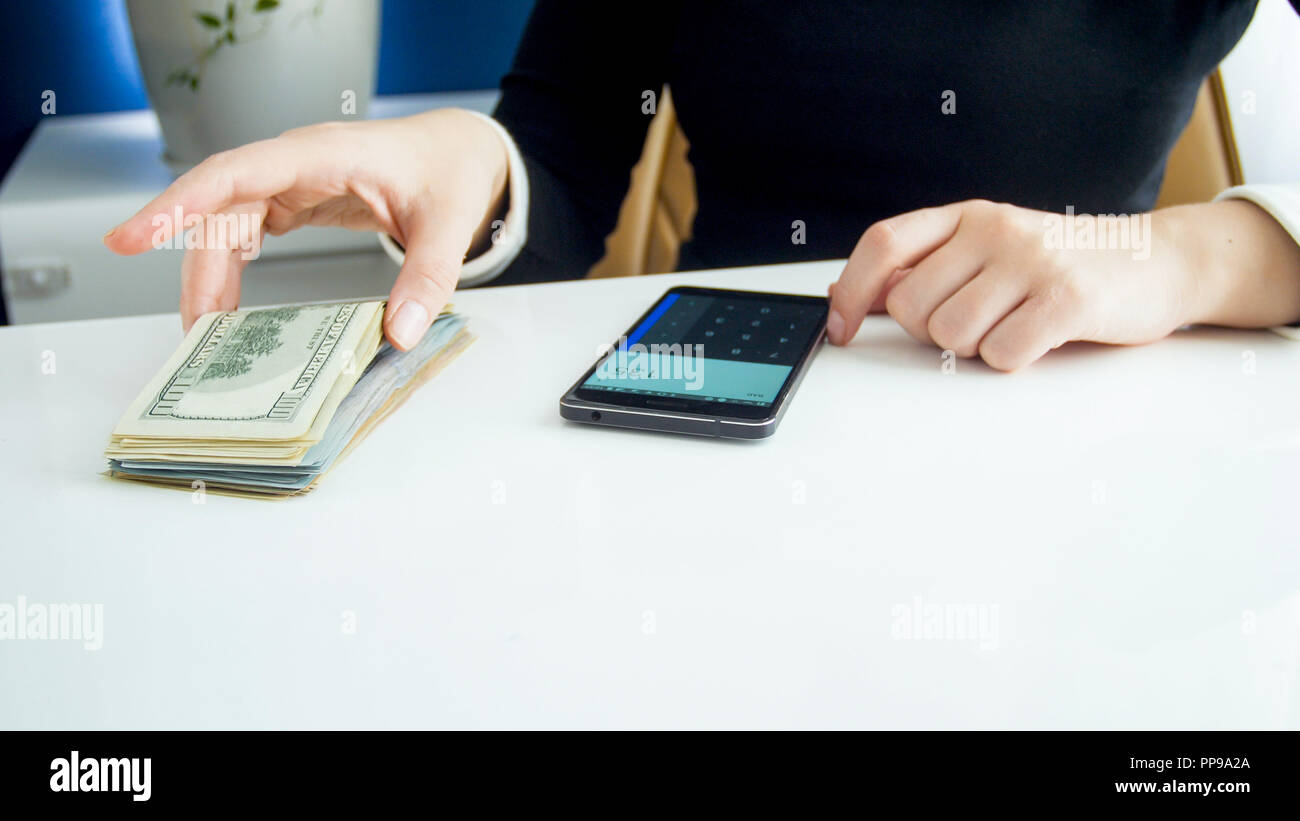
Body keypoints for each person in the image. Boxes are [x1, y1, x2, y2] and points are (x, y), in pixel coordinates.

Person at [103, 0, 1300, 371]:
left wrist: (1186, 254)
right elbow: (565, 148)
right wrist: (473, 163)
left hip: (1078, 432)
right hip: (712, 417)